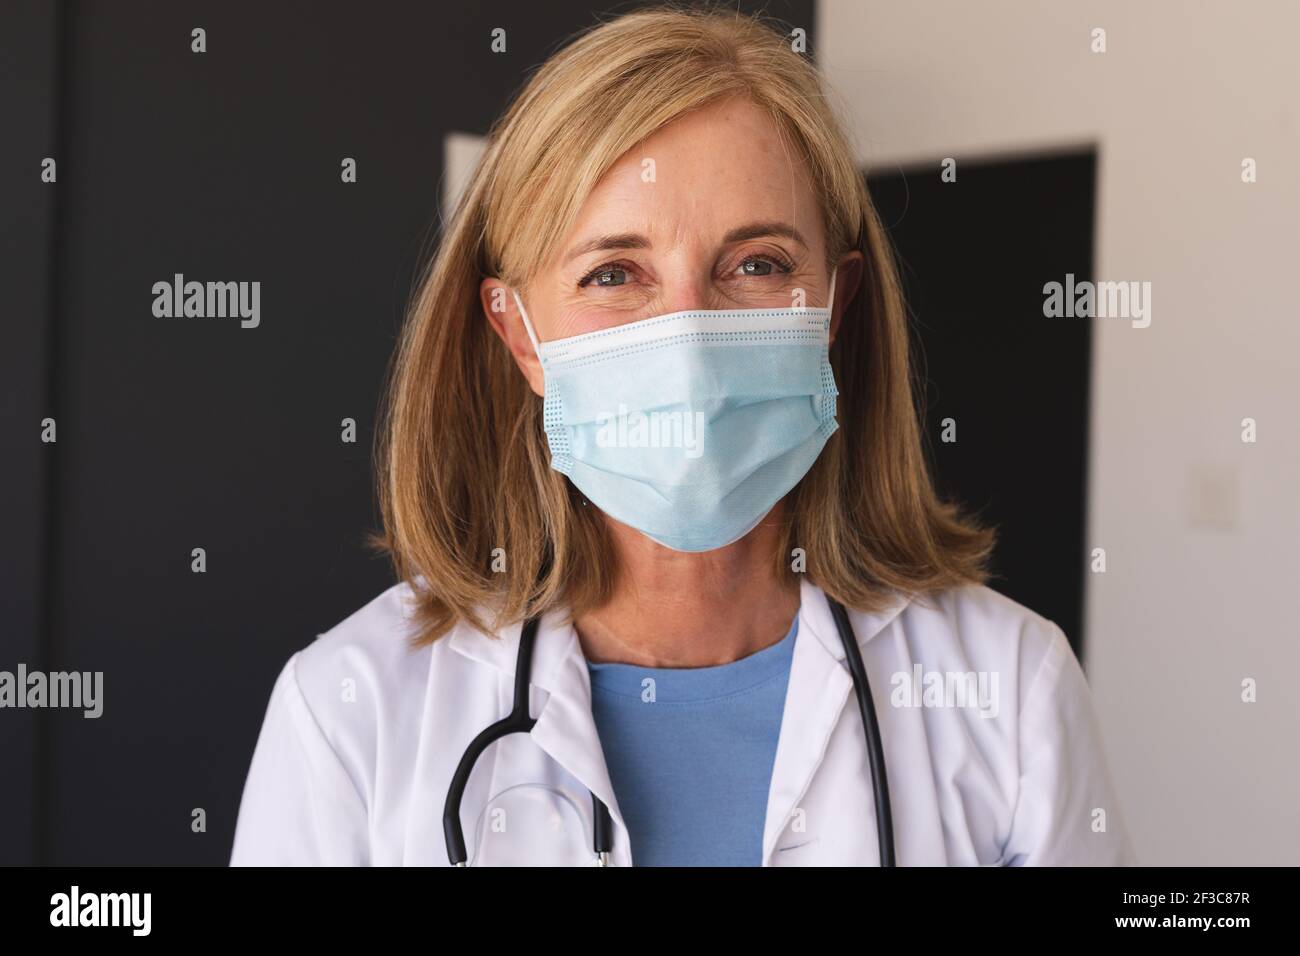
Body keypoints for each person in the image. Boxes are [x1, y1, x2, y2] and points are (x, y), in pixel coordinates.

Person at [230, 6, 1134, 866]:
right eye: (614, 273)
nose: (690, 339)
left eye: (756, 264)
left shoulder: (1010, 686)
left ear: (832, 306)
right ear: (518, 335)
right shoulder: (349, 710)